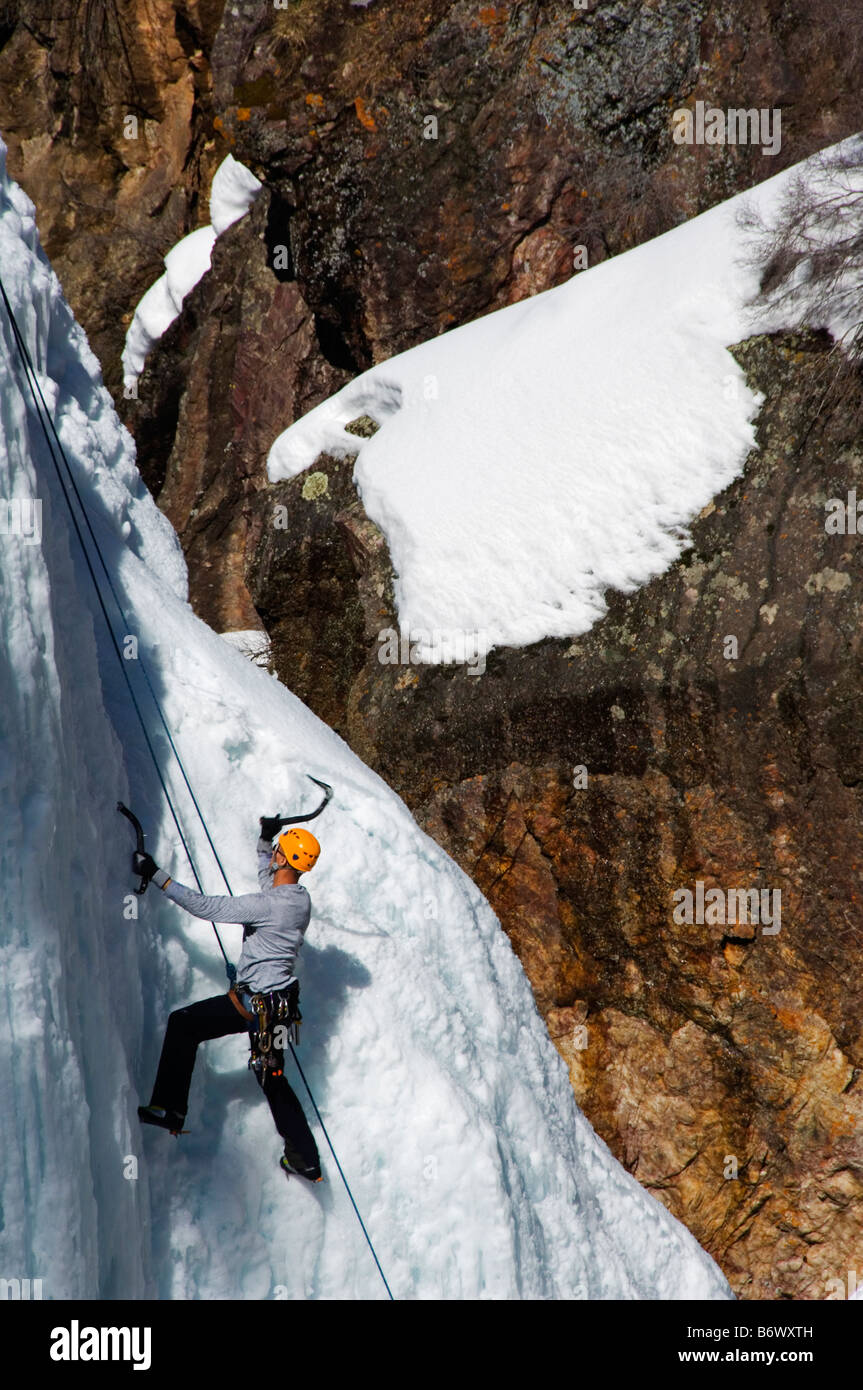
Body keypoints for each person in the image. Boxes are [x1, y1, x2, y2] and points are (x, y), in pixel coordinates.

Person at [134, 817, 323, 1182]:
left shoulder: (269, 906)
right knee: (272, 1076)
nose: (275, 857)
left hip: (258, 1005)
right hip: (278, 1007)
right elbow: (271, 883)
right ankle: (304, 1157)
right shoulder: (298, 899)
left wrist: (157, 875)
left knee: (185, 1025)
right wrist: (265, 841)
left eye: (278, 853)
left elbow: (208, 907)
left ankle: (170, 1109)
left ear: (285, 861)